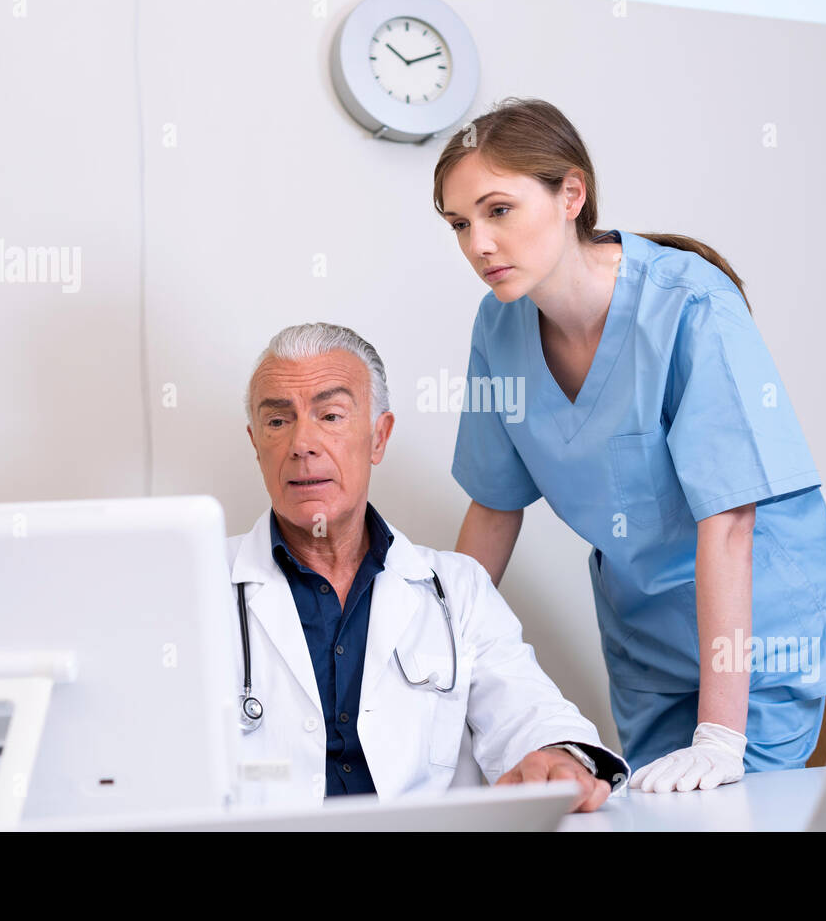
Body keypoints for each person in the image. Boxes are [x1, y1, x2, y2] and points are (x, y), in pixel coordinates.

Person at [434, 97, 826, 792]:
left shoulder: (689, 303)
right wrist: (434, 638)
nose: (478, 243)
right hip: (646, 642)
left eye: (498, 210)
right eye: (458, 224)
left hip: (757, 634)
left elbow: (730, 520)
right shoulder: (497, 328)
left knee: (734, 814)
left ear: (572, 194)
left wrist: (721, 735)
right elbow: (494, 507)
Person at [226, 321, 629, 810]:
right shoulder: (197, 587)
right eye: (277, 421)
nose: (301, 443)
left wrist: (557, 755)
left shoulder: (458, 588)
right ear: (254, 443)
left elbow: (531, 714)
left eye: (330, 415)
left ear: (379, 437)